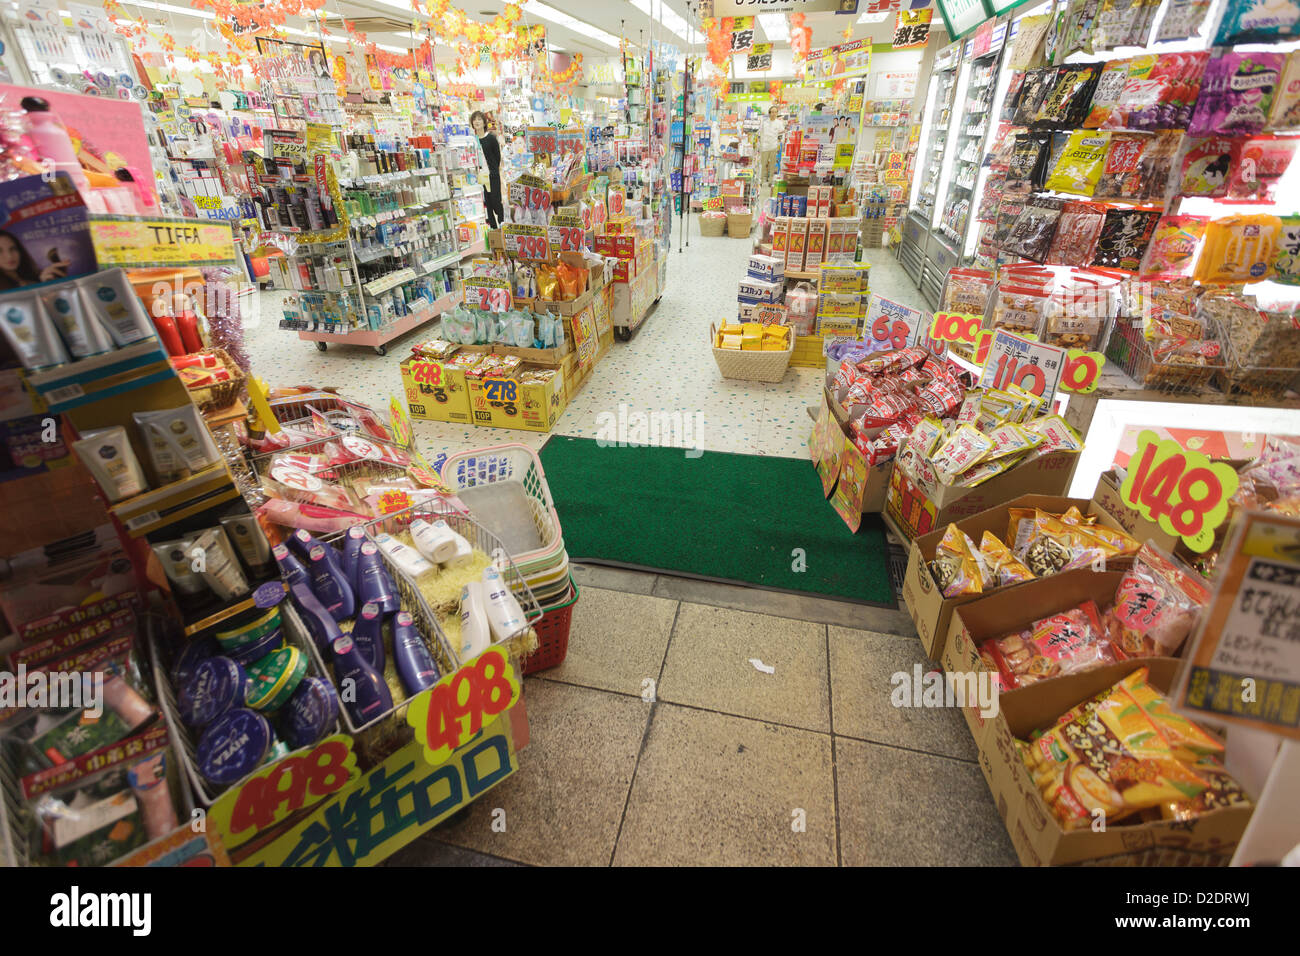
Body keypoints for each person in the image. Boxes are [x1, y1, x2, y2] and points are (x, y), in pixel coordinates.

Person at [471, 110, 505, 229]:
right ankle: (493, 229)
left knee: (496, 201)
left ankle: (502, 225)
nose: (477, 121)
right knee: (487, 205)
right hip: (480, 178)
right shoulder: (473, 140)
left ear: (484, 122)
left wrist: (493, 171)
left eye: (479, 119)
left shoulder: (491, 138)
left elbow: (497, 156)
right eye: (474, 119)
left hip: (492, 175)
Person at [0, 231, 65, 290]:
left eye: (13, 249)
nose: (9, 256)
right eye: (0, 251)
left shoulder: (35, 275)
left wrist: (51, 283)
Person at [759, 104, 784, 186]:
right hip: (765, 146)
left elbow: (781, 133)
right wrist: (761, 144)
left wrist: (778, 142)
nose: (773, 114)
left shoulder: (779, 123)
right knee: (763, 164)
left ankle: (770, 181)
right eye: (772, 112)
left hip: (773, 146)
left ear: (777, 113)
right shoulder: (764, 123)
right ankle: (762, 180)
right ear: (769, 113)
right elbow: (760, 133)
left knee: (772, 165)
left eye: (775, 112)